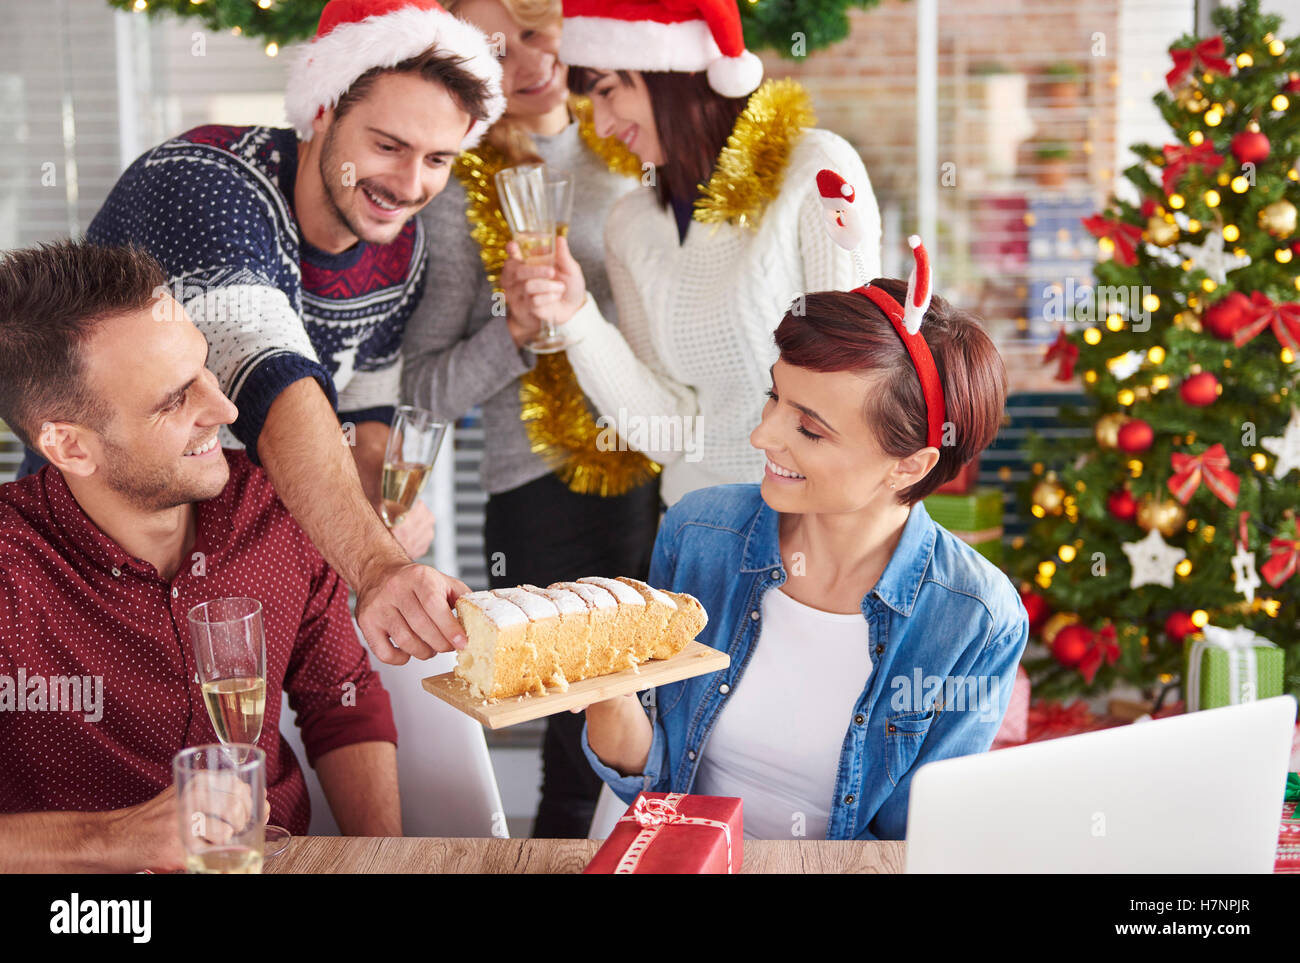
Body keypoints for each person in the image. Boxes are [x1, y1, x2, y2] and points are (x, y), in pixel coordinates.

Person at [16, 0, 509, 666]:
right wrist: (377, 567)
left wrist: (382, 511)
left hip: (242, 560)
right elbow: (270, 386)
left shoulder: (399, 241)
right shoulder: (204, 184)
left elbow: (365, 407)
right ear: (324, 111)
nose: (410, 183)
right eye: (388, 146)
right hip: (90, 552)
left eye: (438, 159)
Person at [575, 247, 1030, 841]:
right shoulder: (698, 531)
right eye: (775, 398)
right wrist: (602, 686)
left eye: (810, 429)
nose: (762, 434)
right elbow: (648, 779)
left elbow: (912, 843)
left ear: (910, 465)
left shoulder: (976, 617)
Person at [0, 241, 404, 872]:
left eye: (207, 371)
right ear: (71, 447)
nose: (225, 409)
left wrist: (387, 863)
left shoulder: (275, 507)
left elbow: (341, 701)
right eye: (173, 400)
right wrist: (111, 840)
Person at [401, 0, 658, 839]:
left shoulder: (637, 136)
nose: (525, 63)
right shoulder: (456, 187)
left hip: (671, 466)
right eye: (493, 51)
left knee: (681, 718)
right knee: (575, 735)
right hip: (538, 492)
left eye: (536, 32)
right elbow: (426, 390)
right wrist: (512, 329)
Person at [503, 0, 883, 507]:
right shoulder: (632, 224)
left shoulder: (815, 170)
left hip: (809, 524)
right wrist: (576, 316)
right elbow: (667, 434)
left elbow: (858, 372)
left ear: (671, 73)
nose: (604, 125)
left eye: (608, 91)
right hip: (693, 527)